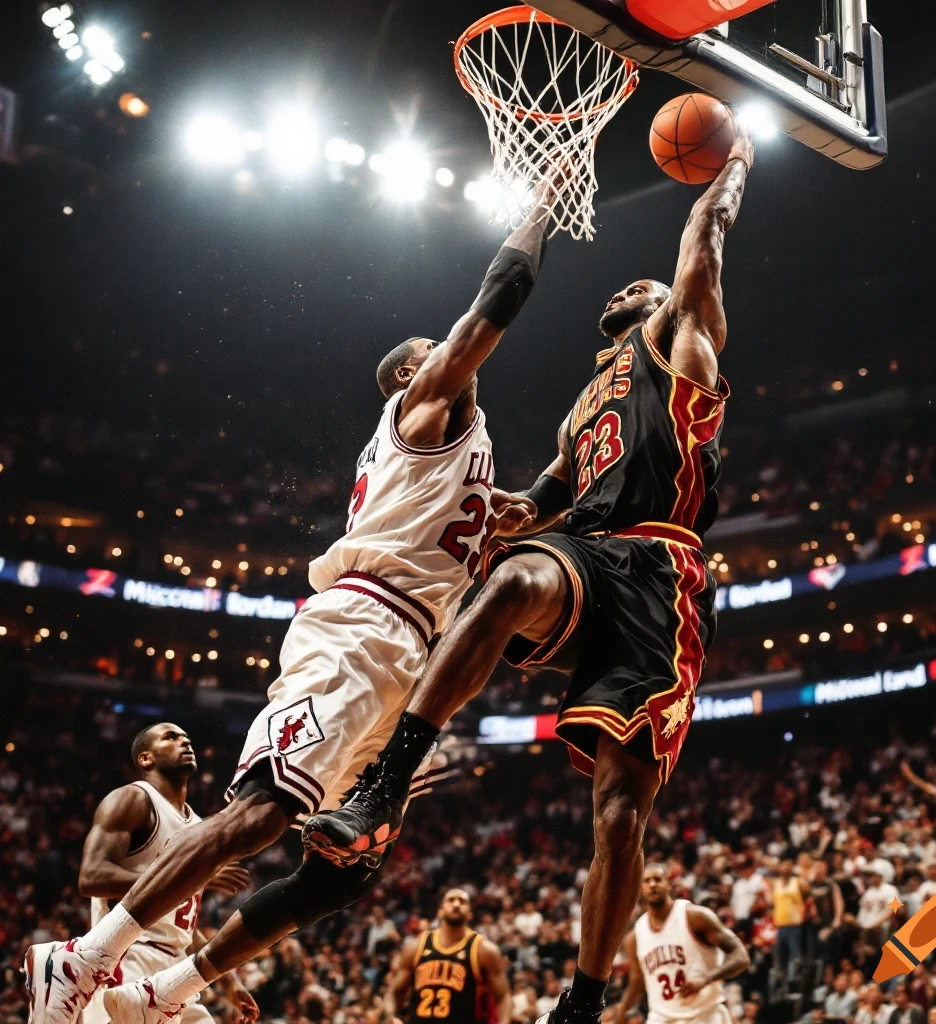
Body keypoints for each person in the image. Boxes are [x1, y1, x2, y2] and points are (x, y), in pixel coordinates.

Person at [25, 189, 554, 1024]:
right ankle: (82, 959)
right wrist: (542, 207)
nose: (446, 346)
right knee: (259, 815)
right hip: (360, 631)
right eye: (433, 345)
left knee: (350, 868)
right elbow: (498, 301)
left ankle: (160, 995)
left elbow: (524, 509)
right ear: (412, 374)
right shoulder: (420, 411)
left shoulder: (466, 460)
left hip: (411, 655)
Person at [303, 123, 755, 1024]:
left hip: (661, 569)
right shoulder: (584, 402)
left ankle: (584, 1000)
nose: (635, 283)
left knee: (622, 809)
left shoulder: (686, 333)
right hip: (588, 551)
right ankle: (382, 787)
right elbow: (545, 494)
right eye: (631, 285)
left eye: (645, 281)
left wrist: (735, 154)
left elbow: (706, 229)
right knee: (508, 582)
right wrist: (509, 507)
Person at [70, 724, 256, 1024]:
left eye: (187, 738)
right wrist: (192, 880)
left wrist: (228, 982)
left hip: (176, 968)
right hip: (128, 959)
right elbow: (91, 877)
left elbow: (181, 925)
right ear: (146, 759)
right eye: (171, 738)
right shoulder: (132, 800)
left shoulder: (198, 826)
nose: (184, 742)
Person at [613, 864, 750, 1024]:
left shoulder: (695, 917)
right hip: (662, 1017)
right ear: (640, 889)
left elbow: (741, 957)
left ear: (668, 884)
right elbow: (637, 980)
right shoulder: (635, 937)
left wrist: (706, 979)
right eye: (646, 881)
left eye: (657, 879)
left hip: (704, 1014)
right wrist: (621, 1013)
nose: (652, 884)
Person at [384, 889, 511, 1024]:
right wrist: (391, 1017)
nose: (456, 904)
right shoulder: (415, 948)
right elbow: (394, 992)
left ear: (470, 914)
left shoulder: (484, 951)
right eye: (451, 900)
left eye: (462, 902)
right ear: (439, 912)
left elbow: (503, 997)